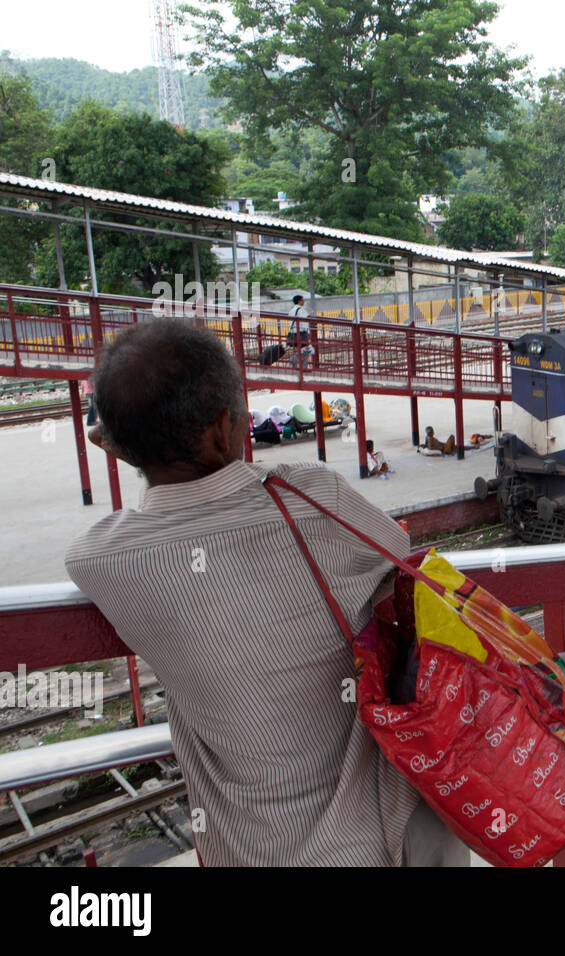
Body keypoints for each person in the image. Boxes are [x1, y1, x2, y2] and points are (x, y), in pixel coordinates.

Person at [63, 320, 465, 867]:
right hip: (375, 842)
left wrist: (125, 439)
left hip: (249, 854)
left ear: (116, 445)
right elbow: (395, 548)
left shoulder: (105, 561)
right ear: (225, 427)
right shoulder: (313, 498)